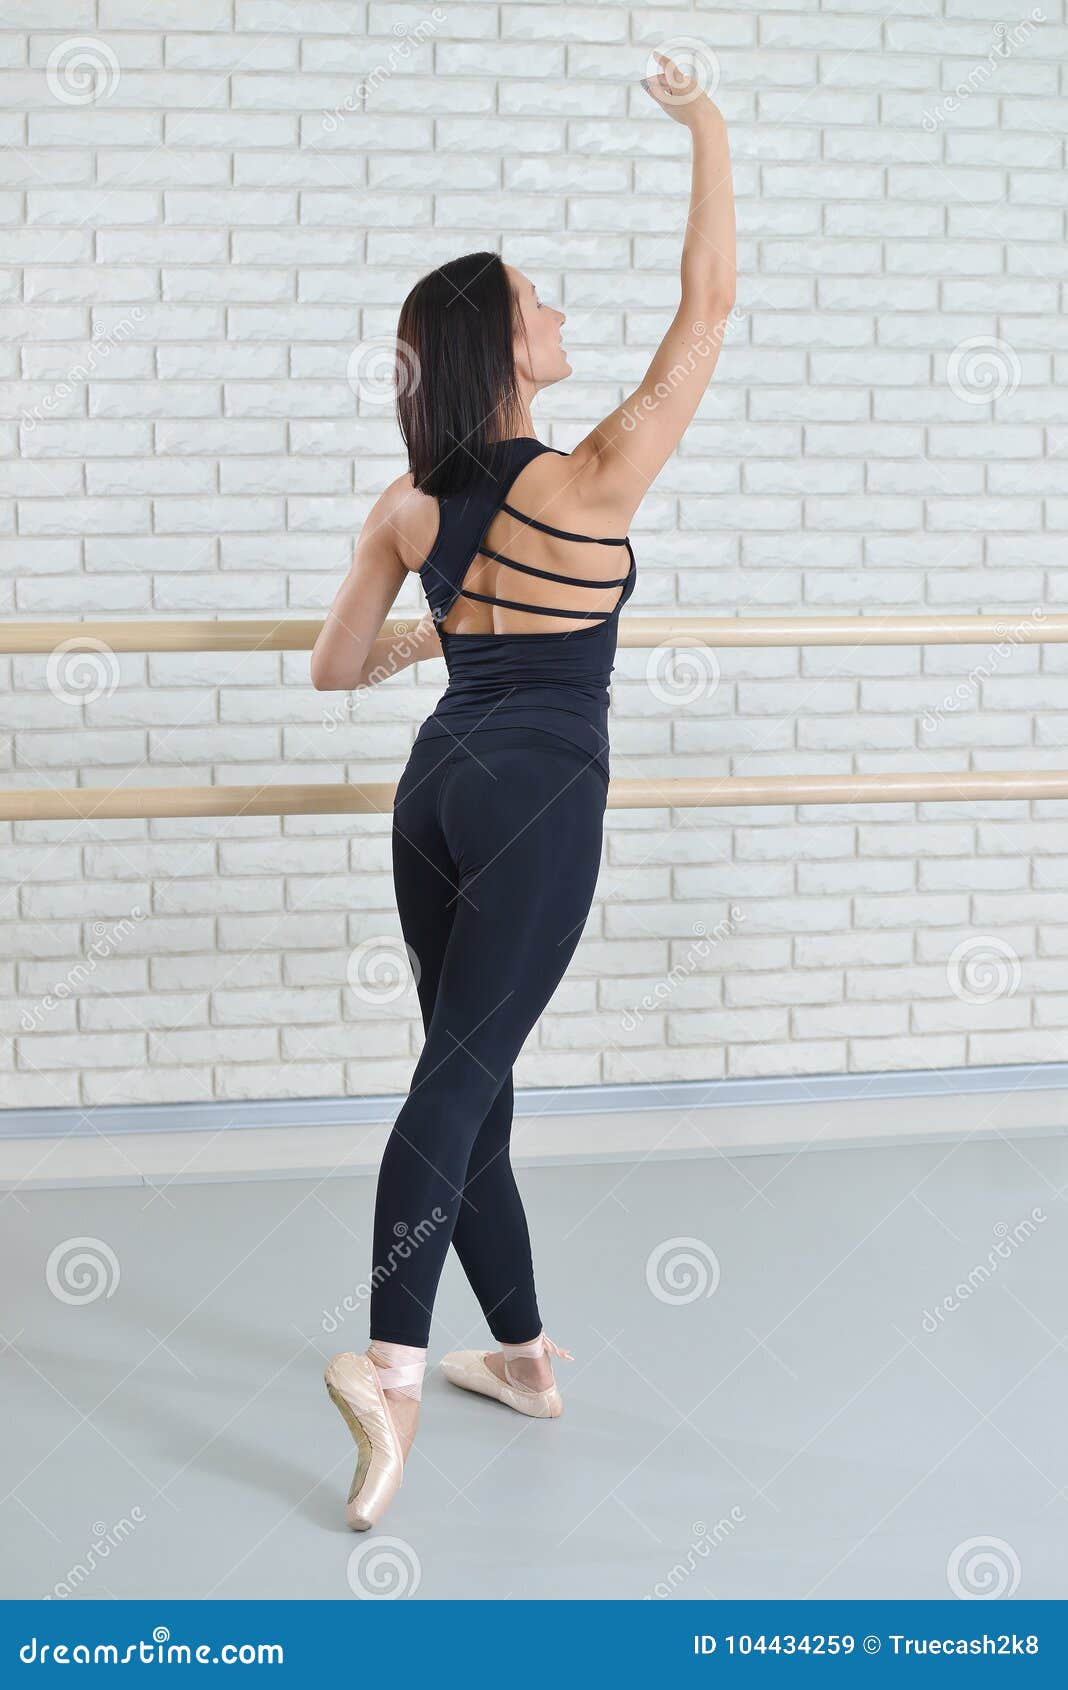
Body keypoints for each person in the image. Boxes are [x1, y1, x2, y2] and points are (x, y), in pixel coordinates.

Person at [311, 53, 735, 1530]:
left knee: (469, 1070)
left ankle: (525, 1356)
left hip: (435, 787)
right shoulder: (594, 471)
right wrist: (706, 124)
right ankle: (390, 1369)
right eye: (540, 301)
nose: (557, 314)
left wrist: (446, 635)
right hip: (542, 795)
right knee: (458, 1076)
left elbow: (335, 666)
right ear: (507, 347)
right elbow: (709, 306)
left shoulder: (409, 503)